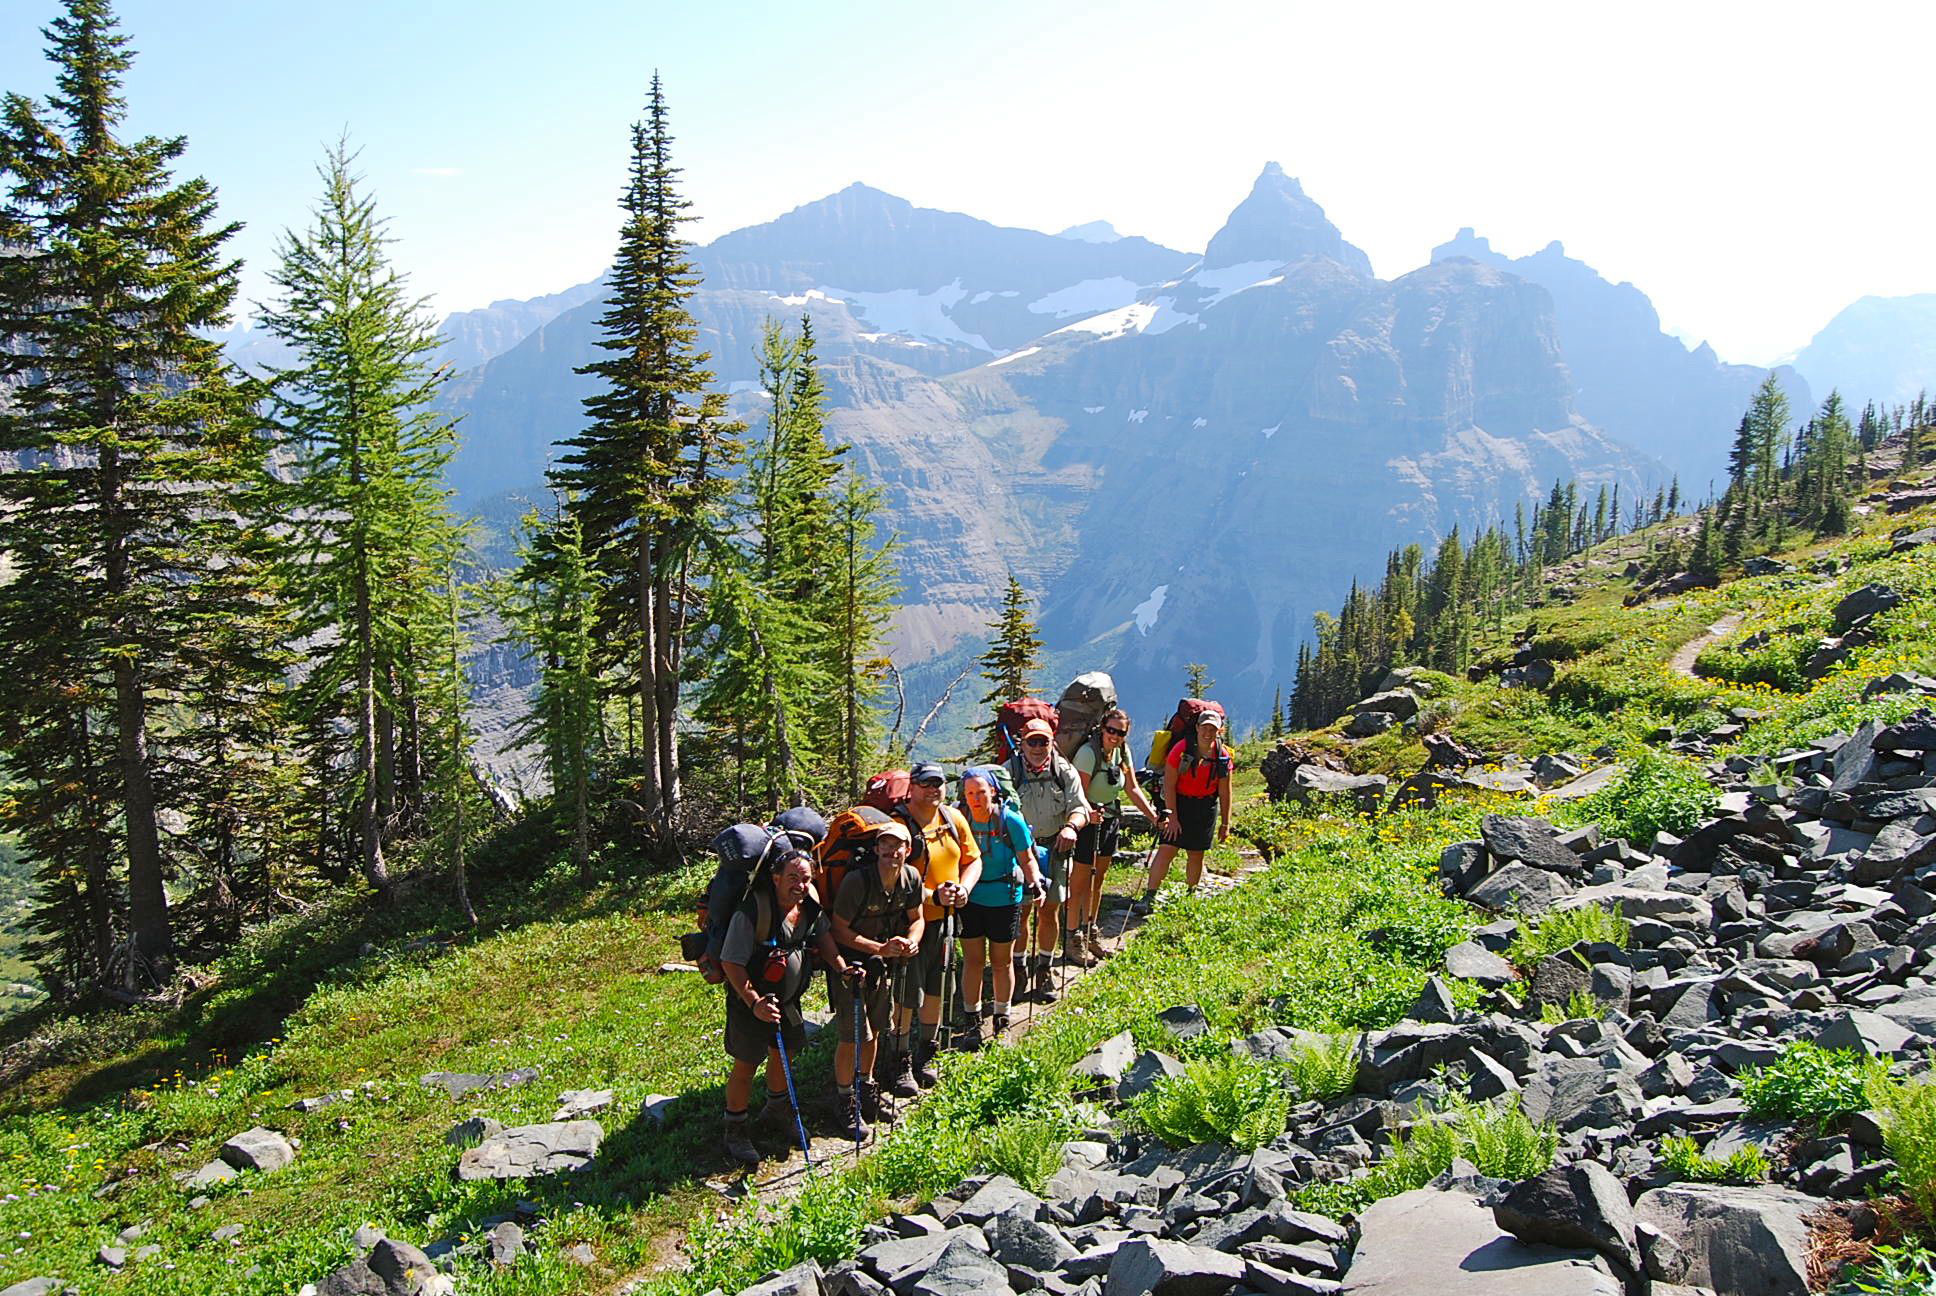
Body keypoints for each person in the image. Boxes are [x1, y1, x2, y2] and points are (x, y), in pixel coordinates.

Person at [716, 849, 844, 1166]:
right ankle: (735, 1128)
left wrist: (841, 967)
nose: (799, 885)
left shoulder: (808, 908)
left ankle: (776, 1109)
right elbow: (731, 961)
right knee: (747, 1064)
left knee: (784, 1052)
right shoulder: (753, 910)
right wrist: (755, 1001)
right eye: (792, 878)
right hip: (751, 1003)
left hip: (786, 1001)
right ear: (775, 878)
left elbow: (824, 936)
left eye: (805, 879)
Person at [883, 762, 981, 1096]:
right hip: (910, 923)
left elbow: (972, 859)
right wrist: (931, 895)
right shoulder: (898, 825)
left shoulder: (953, 819)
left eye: (938, 783)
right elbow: (893, 877)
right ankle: (899, 1062)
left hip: (946, 921)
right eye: (926, 783)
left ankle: (927, 1054)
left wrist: (964, 889)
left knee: (939, 988)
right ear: (912, 786)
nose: (933, 789)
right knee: (906, 995)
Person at [827, 820, 924, 1141]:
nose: (891, 852)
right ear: (876, 849)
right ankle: (844, 1100)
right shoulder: (857, 882)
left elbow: (917, 918)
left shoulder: (910, 878)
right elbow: (837, 929)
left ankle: (865, 1088)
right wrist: (879, 948)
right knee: (852, 1034)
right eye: (885, 845)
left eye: (897, 846)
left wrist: (912, 940)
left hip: (882, 963)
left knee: (877, 1027)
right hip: (850, 965)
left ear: (908, 851)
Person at [1004, 716, 1091, 1001]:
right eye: (1033, 741)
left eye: (1044, 741)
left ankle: (1044, 969)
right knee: (1022, 912)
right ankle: (1018, 971)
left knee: (1049, 910)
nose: (1039, 747)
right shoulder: (1009, 773)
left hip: (1054, 849)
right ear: (1023, 743)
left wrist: (1071, 827)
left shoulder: (1063, 771)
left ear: (1052, 741)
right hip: (1020, 853)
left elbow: (1081, 808)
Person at [956, 767, 1041, 1043]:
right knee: (974, 960)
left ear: (993, 791)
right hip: (969, 899)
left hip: (1005, 898)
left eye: (981, 792)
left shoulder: (1010, 820)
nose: (976, 798)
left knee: (1002, 962)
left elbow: (1026, 858)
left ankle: (1002, 1018)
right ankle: (973, 1021)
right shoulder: (960, 819)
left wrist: (1035, 884)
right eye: (970, 793)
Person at [1070, 707, 1163, 955]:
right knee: (1079, 881)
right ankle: (1072, 937)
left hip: (1110, 819)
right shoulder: (1088, 754)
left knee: (1098, 879)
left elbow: (1132, 788)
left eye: (1120, 732)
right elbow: (1078, 793)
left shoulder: (1122, 752)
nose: (1115, 735)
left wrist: (1153, 817)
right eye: (1111, 730)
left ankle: (1090, 930)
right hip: (1086, 822)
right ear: (1102, 728)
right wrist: (1089, 812)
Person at [1140, 709, 1234, 908]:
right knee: (1167, 849)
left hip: (1205, 806)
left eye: (1213, 729)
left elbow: (1225, 791)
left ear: (1220, 731)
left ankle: (1190, 896)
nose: (1208, 732)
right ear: (1197, 727)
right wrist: (1172, 816)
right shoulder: (1181, 750)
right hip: (1179, 803)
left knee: (1196, 853)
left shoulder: (1223, 756)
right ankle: (1150, 895)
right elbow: (1169, 785)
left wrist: (1225, 823)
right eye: (1204, 727)